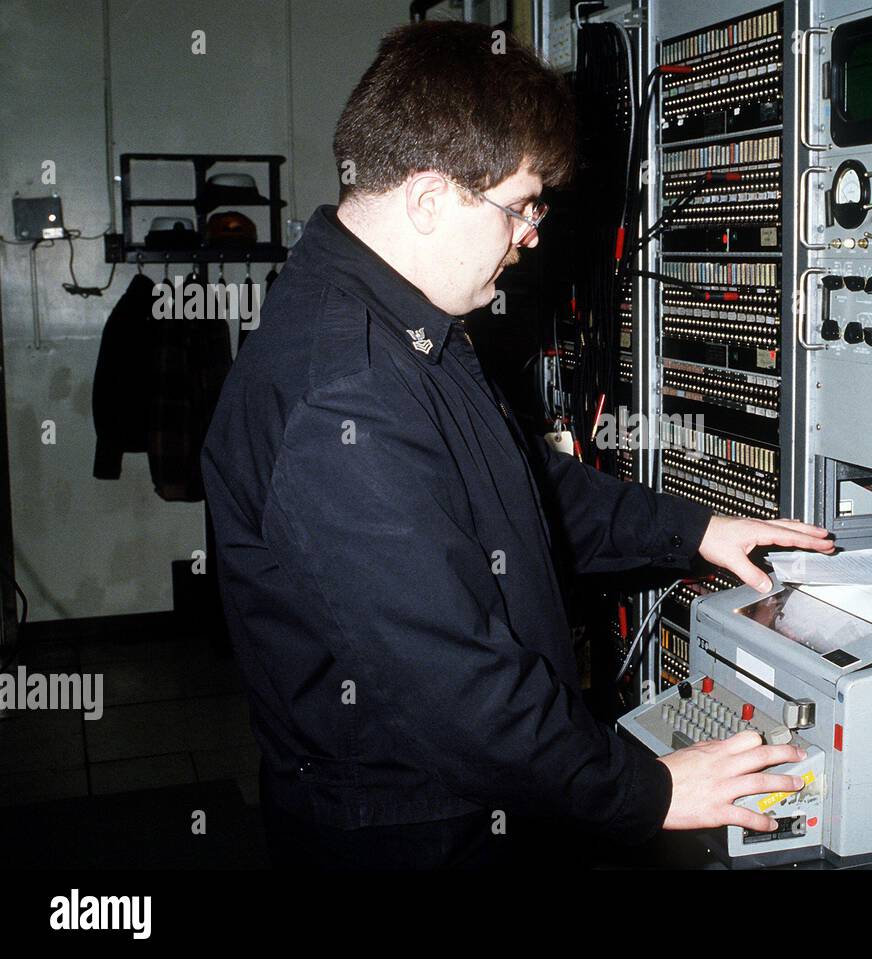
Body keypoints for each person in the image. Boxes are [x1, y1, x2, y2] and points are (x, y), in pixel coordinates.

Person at [200, 19, 835, 869]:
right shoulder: (342, 391)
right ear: (430, 199)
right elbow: (453, 690)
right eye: (520, 206)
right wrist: (650, 790)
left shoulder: (395, 320)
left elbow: (516, 485)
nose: (530, 234)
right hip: (415, 831)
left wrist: (694, 530)